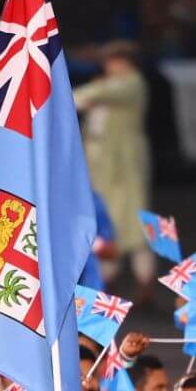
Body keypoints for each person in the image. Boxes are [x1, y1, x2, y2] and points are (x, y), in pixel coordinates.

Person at [73, 42, 153, 286]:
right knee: (105, 223)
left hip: (123, 166)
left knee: (134, 224)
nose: (108, 66)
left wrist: (86, 94)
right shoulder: (109, 86)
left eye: (112, 60)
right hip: (101, 168)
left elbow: (92, 95)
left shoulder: (132, 83)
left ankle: (144, 281)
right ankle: (106, 279)